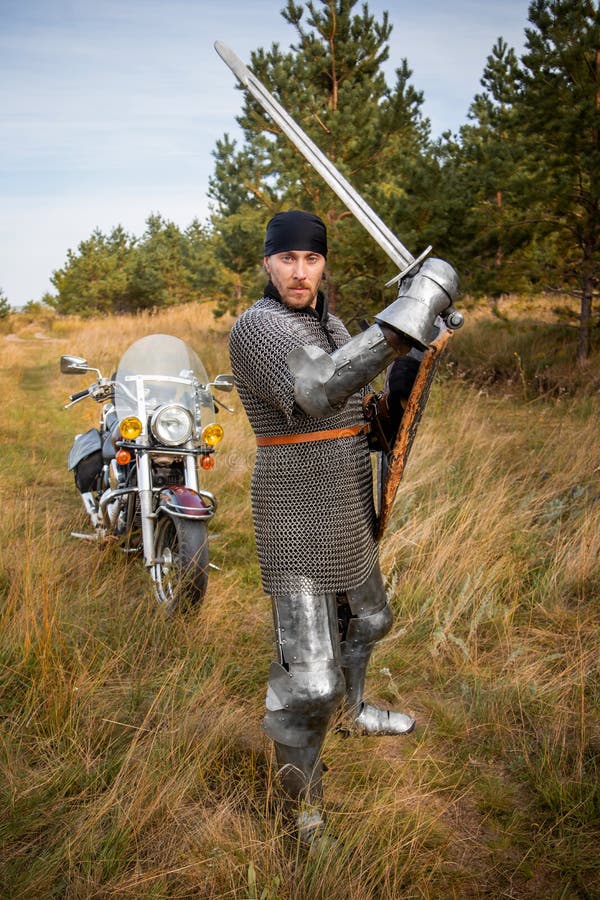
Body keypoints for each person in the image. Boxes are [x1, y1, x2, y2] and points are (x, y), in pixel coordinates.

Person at [229, 210, 458, 842]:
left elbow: (367, 412)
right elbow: (319, 388)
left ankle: (355, 713)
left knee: (371, 619)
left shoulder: (329, 323)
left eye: (311, 260)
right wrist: (415, 305)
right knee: (310, 681)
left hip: (344, 499)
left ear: (324, 264)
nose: (299, 273)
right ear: (267, 263)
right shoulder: (258, 327)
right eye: (286, 259)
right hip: (295, 510)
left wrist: (410, 364)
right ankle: (300, 813)